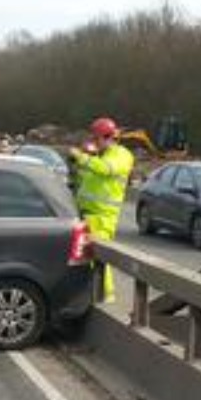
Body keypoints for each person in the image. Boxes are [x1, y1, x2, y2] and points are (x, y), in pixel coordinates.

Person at [70, 117, 134, 301]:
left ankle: (106, 298)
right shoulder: (101, 156)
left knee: (98, 260)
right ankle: (92, 296)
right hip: (88, 215)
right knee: (85, 261)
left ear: (108, 137)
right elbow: (86, 180)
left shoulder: (121, 155)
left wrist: (82, 157)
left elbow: (106, 170)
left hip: (103, 217)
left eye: (96, 139)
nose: (94, 142)